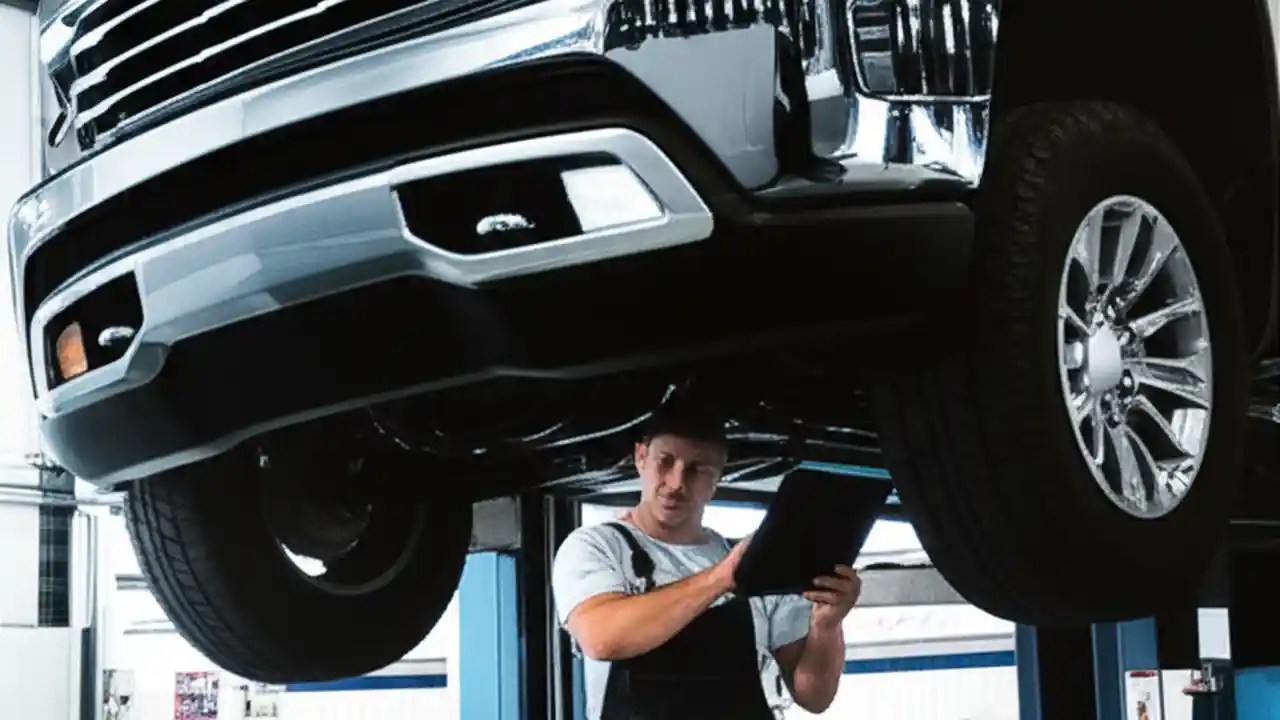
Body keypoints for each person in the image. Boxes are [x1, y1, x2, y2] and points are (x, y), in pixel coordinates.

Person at [551, 398, 861, 719]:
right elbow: (602, 639)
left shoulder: (756, 565)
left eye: (697, 470)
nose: (676, 483)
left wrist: (827, 626)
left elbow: (814, 696)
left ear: (717, 478)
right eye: (665, 461)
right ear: (641, 457)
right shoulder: (597, 547)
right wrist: (721, 578)